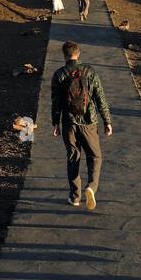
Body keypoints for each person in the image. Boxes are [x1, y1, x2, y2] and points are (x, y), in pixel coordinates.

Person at [51, 40, 113, 209]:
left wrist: (55, 123)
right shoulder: (90, 72)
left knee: (73, 158)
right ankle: (91, 187)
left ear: (64, 56)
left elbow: (55, 102)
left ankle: (75, 196)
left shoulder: (59, 75)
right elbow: (100, 97)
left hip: (69, 123)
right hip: (89, 122)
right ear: (78, 54)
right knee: (95, 156)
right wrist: (107, 120)